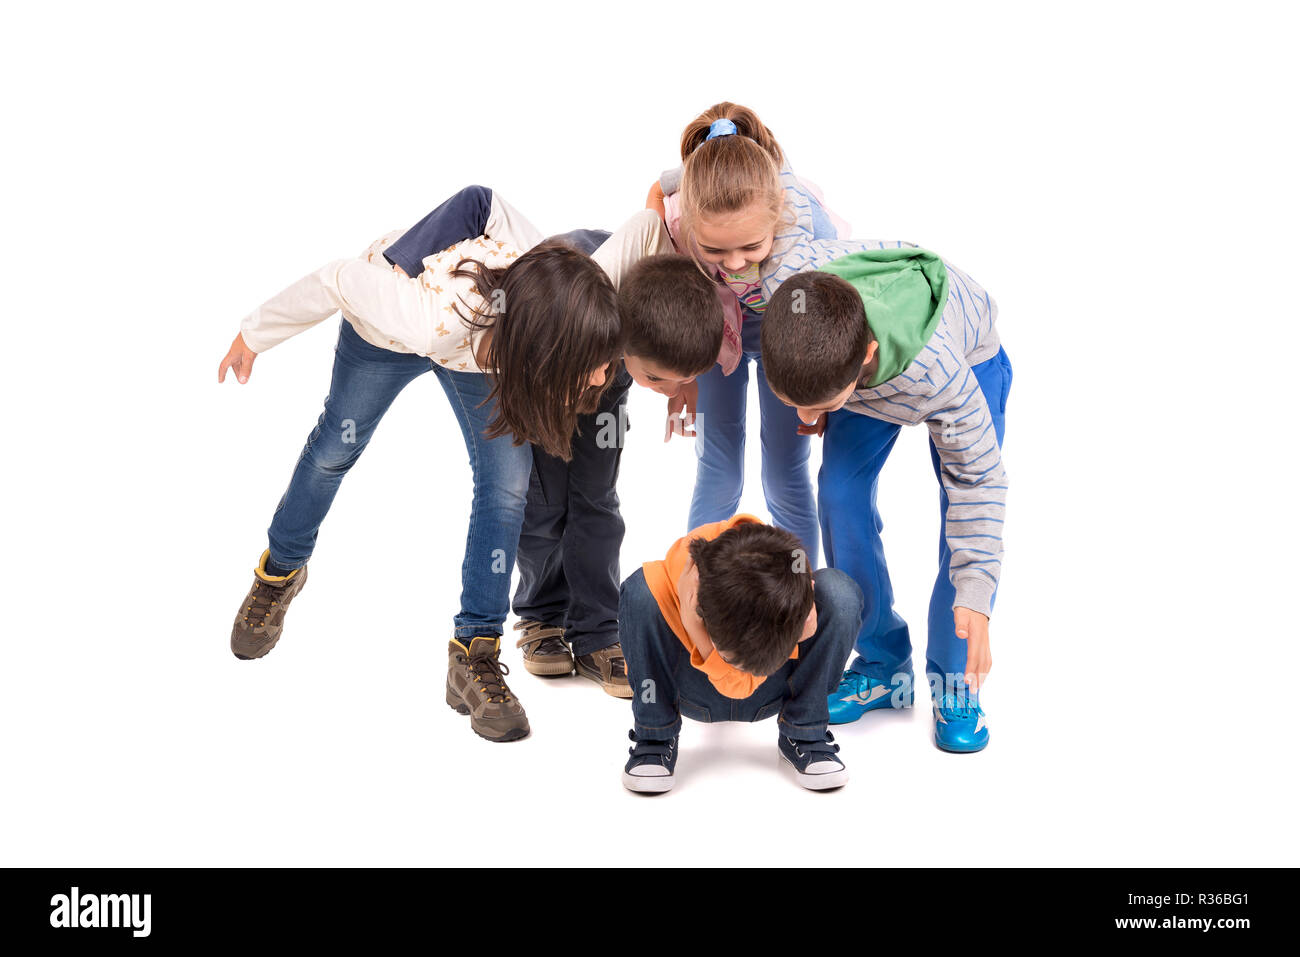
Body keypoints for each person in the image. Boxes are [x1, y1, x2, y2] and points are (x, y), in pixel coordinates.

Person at [218, 188, 658, 742]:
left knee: (506, 487)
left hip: (489, 348)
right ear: (547, 354)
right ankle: (279, 570)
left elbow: (495, 204)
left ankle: (474, 652)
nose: (603, 378)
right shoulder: (423, 318)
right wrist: (255, 333)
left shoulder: (545, 301)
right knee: (337, 447)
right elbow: (337, 277)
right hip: (392, 334)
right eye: (592, 367)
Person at [380, 191, 725, 698]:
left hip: (606, 377)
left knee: (597, 499)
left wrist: (684, 383)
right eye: (661, 378)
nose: (669, 388)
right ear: (625, 336)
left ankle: (598, 631)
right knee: (543, 500)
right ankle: (542, 616)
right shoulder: (575, 318)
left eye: (675, 378)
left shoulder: (658, 308)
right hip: (545, 374)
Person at [759, 245, 1012, 752]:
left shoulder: (940, 375)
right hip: (857, 376)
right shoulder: (785, 291)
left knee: (955, 514)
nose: (806, 417)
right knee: (838, 492)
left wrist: (978, 597)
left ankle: (955, 681)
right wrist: (817, 399)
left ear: (865, 358)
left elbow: (978, 483)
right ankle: (882, 665)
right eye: (793, 403)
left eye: (818, 405)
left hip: (964, 354)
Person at [645, 102, 851, 564]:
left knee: (786, 472)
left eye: (753, 247)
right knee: (718, 467)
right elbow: (661, 188)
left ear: (777, 217)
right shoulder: (677, 224)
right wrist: (685, 376)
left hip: (790, 326)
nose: (737, 263)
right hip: (719, 326)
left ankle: (800, 591)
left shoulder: (805, 228)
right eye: (716, 249)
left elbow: (829, 314)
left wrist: (816, 392)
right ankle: (694, 586)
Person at [618, 515, 863, 792]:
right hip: (689, 687)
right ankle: (653, 737)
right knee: (641, 592)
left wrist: (800, 621)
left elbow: (744, 681)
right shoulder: (679, 584)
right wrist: (693, 627)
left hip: (773, 684)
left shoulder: (791, 576)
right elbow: (737, 686)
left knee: (839, 593)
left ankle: (805, 731)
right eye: (729, 656)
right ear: (700, 605)